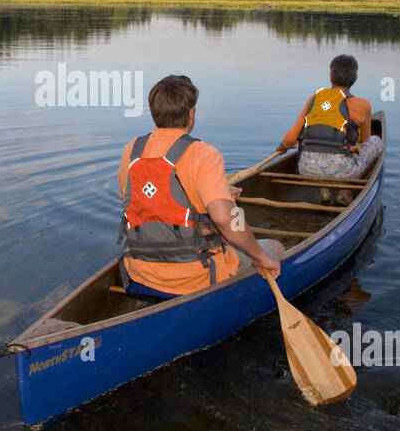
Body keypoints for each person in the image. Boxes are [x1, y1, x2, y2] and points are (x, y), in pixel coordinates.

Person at [119, 75, 282, 298]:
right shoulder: (203, 154)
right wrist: (262, 257)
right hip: (195, 276)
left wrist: (219, 195)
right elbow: (224, 219)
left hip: (139, 271)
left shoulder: (132, 151)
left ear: (154, 112)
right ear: (192, 113)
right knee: (275, 247)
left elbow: (142, 202)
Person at [276, 54, 382, 199]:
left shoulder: (314, 99)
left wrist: (283, 146)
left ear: (331, 76)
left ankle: (324, 190)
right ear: (354, 78)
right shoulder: (363, 104)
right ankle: (345, 191)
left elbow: (293, 137)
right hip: (344, 171)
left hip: (307, 169)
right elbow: (364, 138)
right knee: (376, 141)